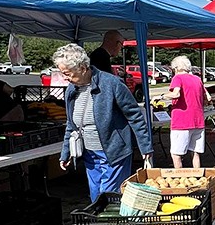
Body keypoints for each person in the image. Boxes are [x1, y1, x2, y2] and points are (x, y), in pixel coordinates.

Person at [55, 43, 153, 202]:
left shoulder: (111, 83)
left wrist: (145, 146)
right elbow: (70, 124)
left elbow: (134, 115)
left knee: (109, 195)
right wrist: (65, 152)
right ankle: (101, 224)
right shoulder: (71, 90)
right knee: (96, 195)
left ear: (82, 67)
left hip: (115, 152)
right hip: (89, 154)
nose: (64, 77)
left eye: (67, 73)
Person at [164, 55, 211, 169]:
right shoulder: (197, 79)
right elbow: (208, 98)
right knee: (195, 153)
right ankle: (198, 177)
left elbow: (176, 94)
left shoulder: (178, 78)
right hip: (198, 121)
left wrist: (161, 96)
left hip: (182, 122)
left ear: (176, 68)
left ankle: (180, 180)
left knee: (176, 155)